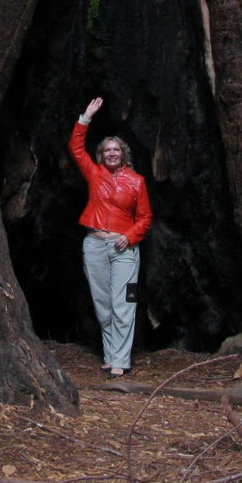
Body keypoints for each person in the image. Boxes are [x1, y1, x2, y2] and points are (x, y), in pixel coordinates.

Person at [69, 97, 152, 377]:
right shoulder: (95, 175)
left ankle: (121, 360)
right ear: (101, 155)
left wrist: (129, 236)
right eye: (107, 150)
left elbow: (145, 218)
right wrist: (86, 117)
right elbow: (75, 148)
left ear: (123, 154)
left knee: (123, 304)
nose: (112, 153)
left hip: (123, 249)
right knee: (103, 305)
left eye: (116, 149)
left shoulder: (136, 182)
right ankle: (110, 356)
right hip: (94, 245)